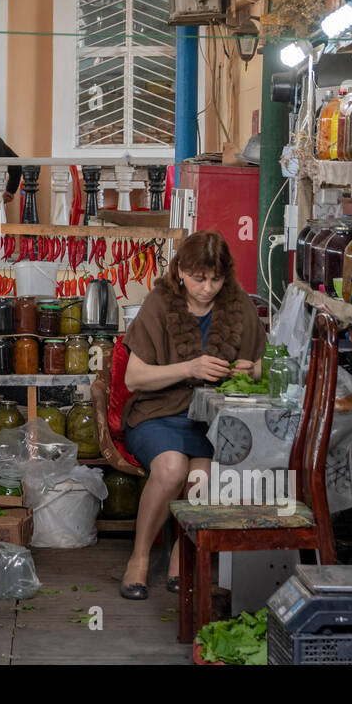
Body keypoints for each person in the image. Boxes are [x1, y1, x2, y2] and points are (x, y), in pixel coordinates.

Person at [118, 230, 266, 600]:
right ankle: (138, 558)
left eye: (216, 279)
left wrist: (251, 372)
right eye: (199, 279)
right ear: (180, 271)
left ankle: (181, 558)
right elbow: (134, 378)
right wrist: (190, 368)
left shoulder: (238, 305)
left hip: (212, 419)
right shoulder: (159, 304)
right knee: (171, 469)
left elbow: (266, 366)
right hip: (158, 412)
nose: (208, 288)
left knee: (200, 475)